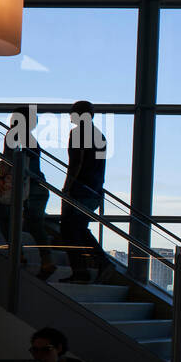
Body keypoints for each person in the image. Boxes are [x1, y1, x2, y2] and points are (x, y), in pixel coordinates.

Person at [0, 107, 56, 280]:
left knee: (4, 217)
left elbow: (9, 160)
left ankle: (17, 254)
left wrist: (0, 178)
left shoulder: (12, 134)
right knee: (35, 224)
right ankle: (47, 260)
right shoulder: (32, 139)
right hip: (38, 186)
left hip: (22, 186)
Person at [59, 100, 112, 282]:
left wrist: (67, 187)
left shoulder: (79, 133)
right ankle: (91, 266)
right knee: (77, 228)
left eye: (73, 112)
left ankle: (90, 267)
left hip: (80, 189)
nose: (70, 116)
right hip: (94, 189)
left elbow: (76, 164)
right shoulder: (100, 135)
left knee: (69, 228)